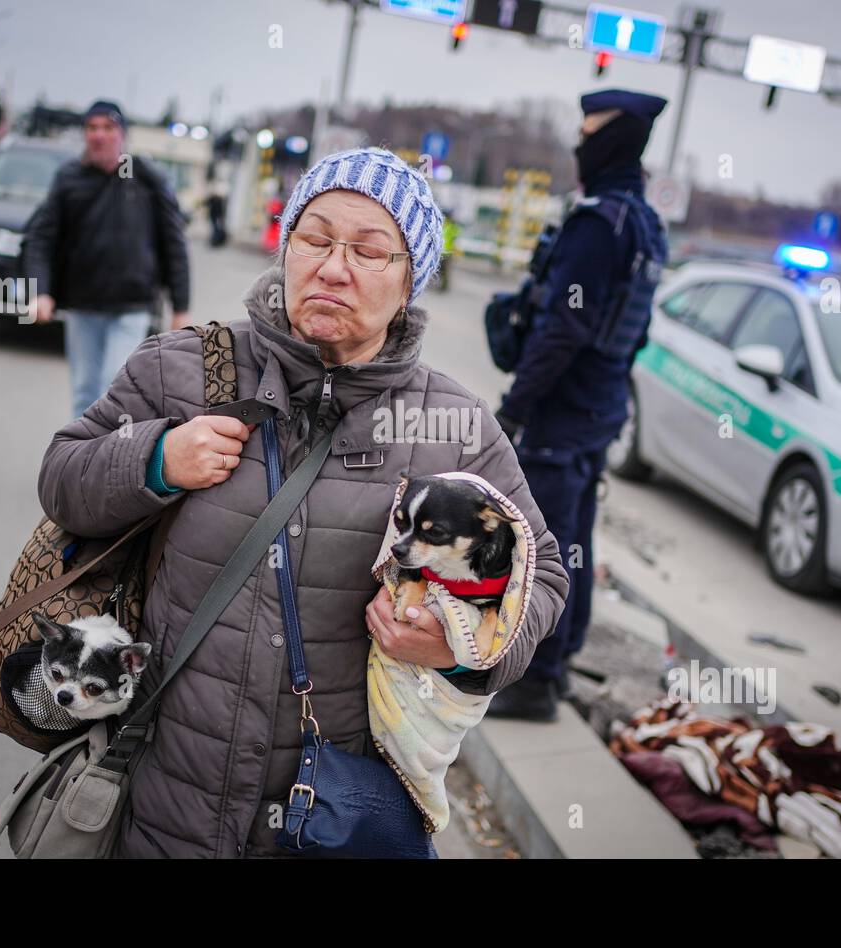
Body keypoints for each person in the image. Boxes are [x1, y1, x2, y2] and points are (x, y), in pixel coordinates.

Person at [35, 147, 569, 858]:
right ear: (286, 248)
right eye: (315, 239)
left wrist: (464, 650)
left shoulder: (456, 426)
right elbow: (64, 477)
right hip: (167, 796)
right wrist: (157, 458)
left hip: (328, 815)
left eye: (370, 251)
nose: (334, 266)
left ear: (410, 282)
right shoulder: (184, 369)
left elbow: (547, 575)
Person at [487, 89, 669, 722]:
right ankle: (558, 666)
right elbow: (634, 330)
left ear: (612, 141)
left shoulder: (598, 226)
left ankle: (534, 681)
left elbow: (562, 328)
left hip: (561, 415)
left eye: (588, 132)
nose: (578, 144)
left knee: (541, 548)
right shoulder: (642, 221)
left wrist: (516, 406)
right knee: (574, 544)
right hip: (600, 409)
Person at [23, 100, 191, 420]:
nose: (99, 135)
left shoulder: (146, 179)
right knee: (85, 392)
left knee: (113, 388)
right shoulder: (69, 179)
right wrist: (40, 292)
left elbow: (174, 242)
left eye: (108, 128)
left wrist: (180, 308)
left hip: (131, 308)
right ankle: (79, 465)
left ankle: (109, 465)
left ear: (122, 135)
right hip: (83, 307)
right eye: (92, 128)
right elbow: (40, 238)